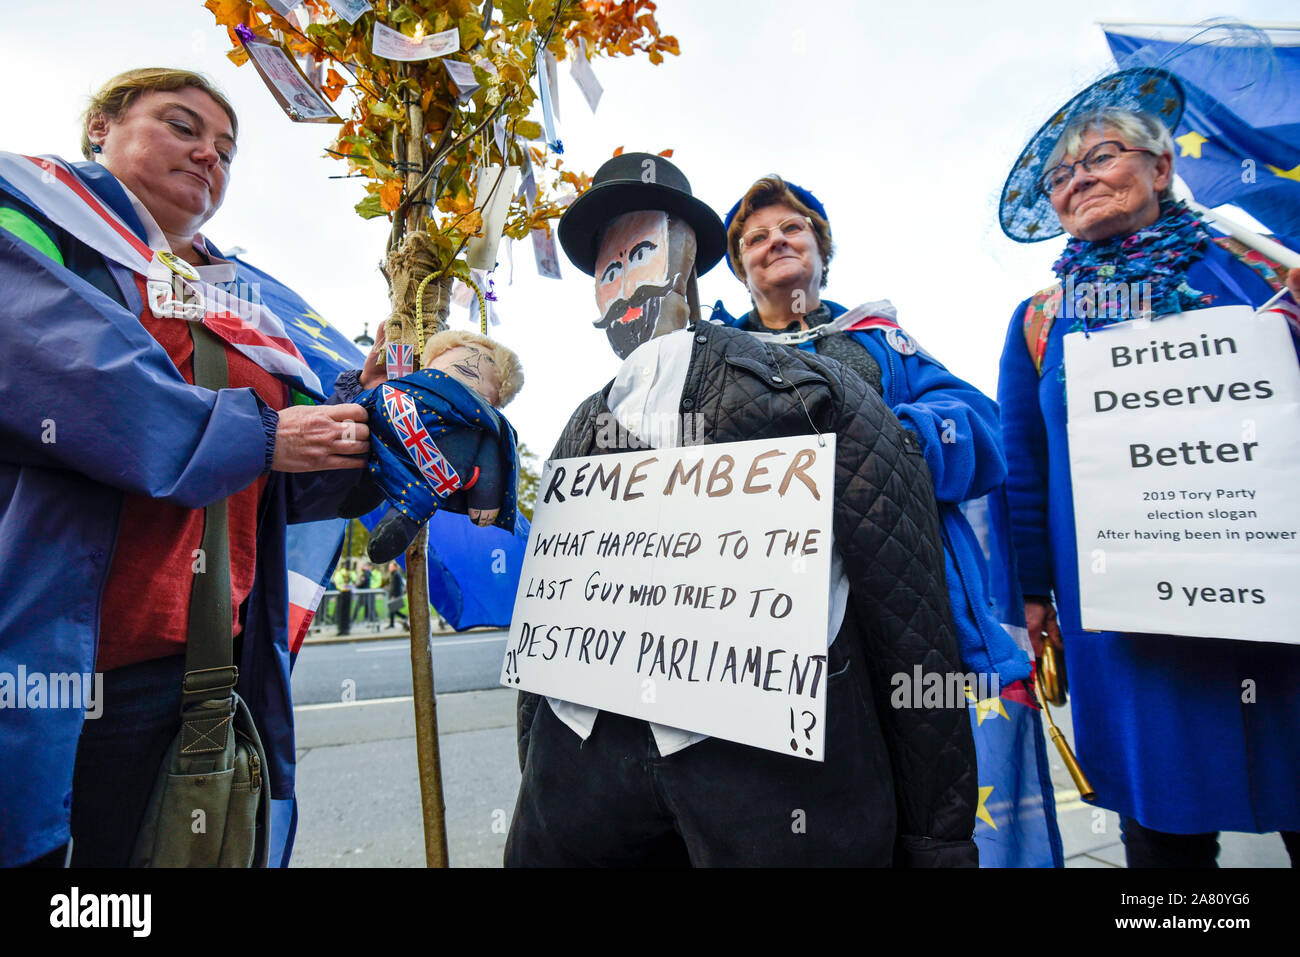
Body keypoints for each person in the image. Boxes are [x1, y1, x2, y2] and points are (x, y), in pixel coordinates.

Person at [507, 153, 978, 867]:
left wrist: (936, 839)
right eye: (608, 271)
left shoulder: (850, 368)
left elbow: (911, 620)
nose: (627, 283)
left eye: (643, 254)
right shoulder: (593, 421)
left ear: (687, 262)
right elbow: (554, 621)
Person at [0, 67, 386, 867]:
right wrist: (261, 435)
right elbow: (57, 366)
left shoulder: (245, 302)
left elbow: (275, 483)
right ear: (100, 125)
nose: (209, 154)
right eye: (182, 125)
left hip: (198, 669)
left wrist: (372, 428)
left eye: (227, 149)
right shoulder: (28, 209)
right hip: (43, 662)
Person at [996, 68, 1300, 867]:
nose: (1078, 180)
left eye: (1101, 156)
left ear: (1161, 169)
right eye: (1061, 175)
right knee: (1164, 841)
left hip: (1279, 607)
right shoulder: (1040, 320)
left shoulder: (1259, 267)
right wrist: (1028, 599)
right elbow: (1023, 473)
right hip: (1129, 625)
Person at [339, 328, 524, 564]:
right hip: (382, 447)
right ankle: (367, 491)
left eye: (488, 360)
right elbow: (365, 404)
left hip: (432, 474)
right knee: (373, 476)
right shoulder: (403, 385)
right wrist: (350, 420)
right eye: (467, 352)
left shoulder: (486, 424)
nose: (472, 361)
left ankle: (399, 519)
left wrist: (485, 497)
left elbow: (491, 463)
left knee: (414, 503)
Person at [386, 561, 408, 629]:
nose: (389, 568)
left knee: (393, 609)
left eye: (391, 566)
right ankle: (392, 623)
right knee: (392, 609)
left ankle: (404, 617)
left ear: (395, 567)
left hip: (395, 595)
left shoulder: (396, 574)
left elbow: (396, 586)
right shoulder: (394, 574)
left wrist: (393, 596)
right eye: (389, 566)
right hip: (394, 594)